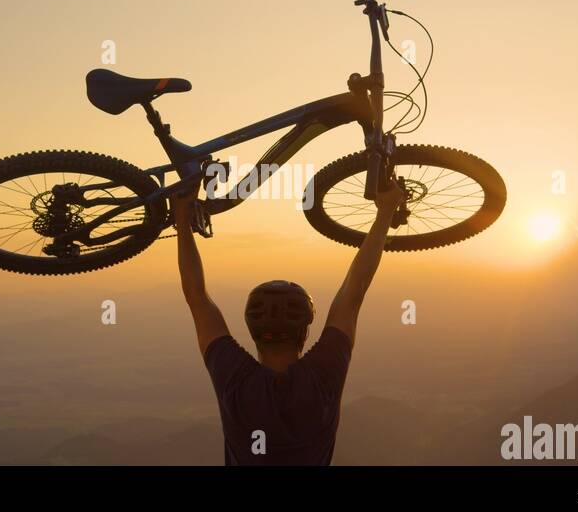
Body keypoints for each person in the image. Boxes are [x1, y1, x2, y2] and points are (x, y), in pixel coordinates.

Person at [172, 178, 404, 465]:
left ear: (253, 330)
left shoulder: (242, 379)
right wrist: (386, 212)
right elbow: (354, 289)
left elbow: (196, 296)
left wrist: (182, 223)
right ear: (304, 332)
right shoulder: (315, 377)